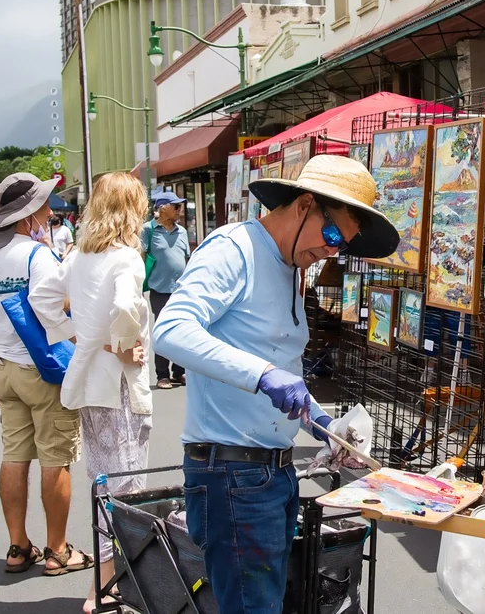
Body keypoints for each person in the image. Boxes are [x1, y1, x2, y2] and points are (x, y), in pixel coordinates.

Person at [153, 155, 397, 613]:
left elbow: (282, 371)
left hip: (270, 475)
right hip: (232, 473)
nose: (331, 252)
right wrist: (263, 375)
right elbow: (170, 331)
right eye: (330, 237)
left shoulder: (289, 269)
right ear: (305, 204)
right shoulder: (234, 248)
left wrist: (324, 425)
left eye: (339, 246)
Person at [31, 172, 152, 613]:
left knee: (103, 481)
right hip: (118, 382)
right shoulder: (126, 258)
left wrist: (77, 333)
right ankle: (108, 584)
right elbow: (123, 307)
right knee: (126, 484)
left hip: (87, 380)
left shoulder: (79, 255)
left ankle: (109, 581)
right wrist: (121, 342)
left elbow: (41, 297)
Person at [0, 172, 94, 576]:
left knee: (14, 456)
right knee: (56, 458)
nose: (48, 211)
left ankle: (18, 547)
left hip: (3, 367)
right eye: (43, 205)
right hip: (44, 370)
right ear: (27, 214)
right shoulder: (37, 255)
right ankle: (57, 550)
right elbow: (55, 310)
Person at [142, 190, 190, 390]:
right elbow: (141, 256)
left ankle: (179, 371)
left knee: (182, 330)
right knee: (163, 331)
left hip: (181, 290)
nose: (180, 210)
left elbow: (186, 259)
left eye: (180, 206)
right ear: (162, 208)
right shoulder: (148, 230)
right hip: (159, 289)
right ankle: (162, 374)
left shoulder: (182, 231)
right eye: (176, 206)